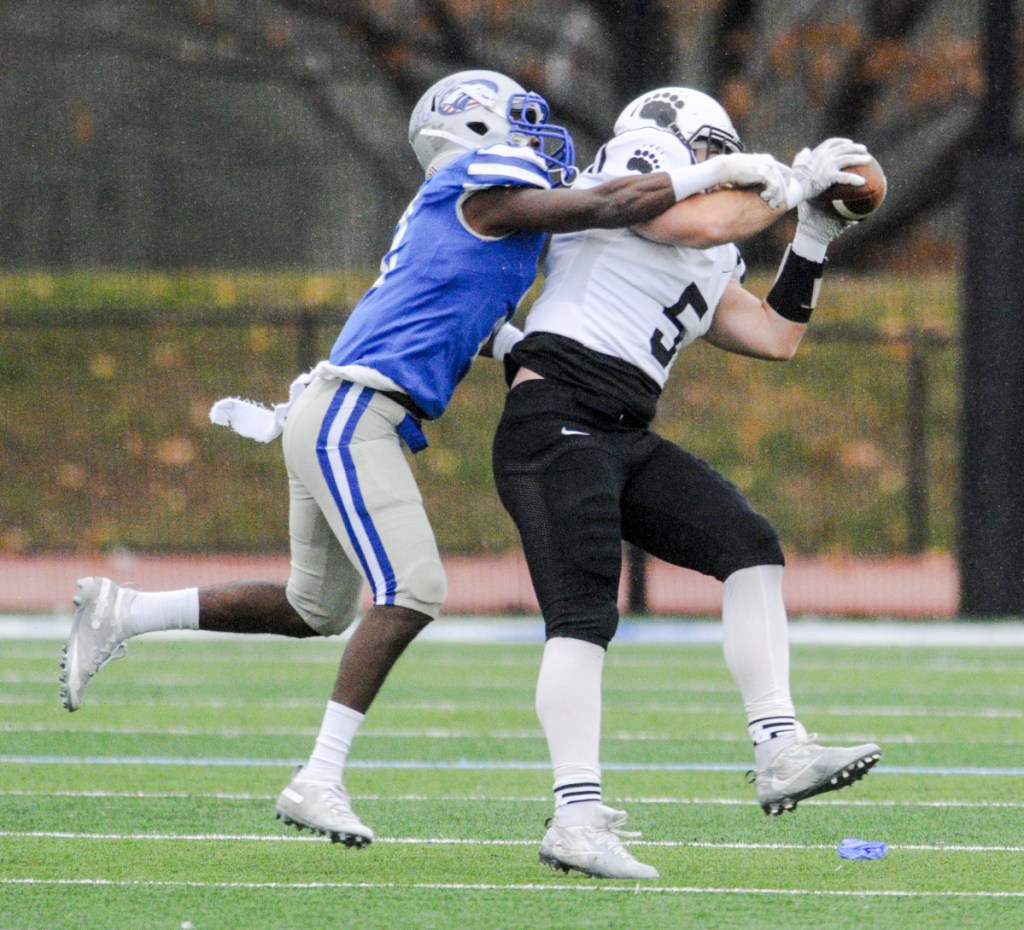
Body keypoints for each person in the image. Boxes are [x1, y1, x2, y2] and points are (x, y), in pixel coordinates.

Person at [58, 70, 813, 849]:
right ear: (475, 132)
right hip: (353, 411)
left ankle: (127, 612)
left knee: (313, 609)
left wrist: (529, 349)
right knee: (414, 589)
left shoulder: (499, 225)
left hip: (341, 408)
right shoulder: (478, 184)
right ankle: (318, 777)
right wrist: (720, 169)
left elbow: (463, 318)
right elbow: (612, 203)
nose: (536, 136)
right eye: (518, 122)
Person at [490, 87, 883, 881]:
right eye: (716, 158)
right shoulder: (640, 165)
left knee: (748, 544)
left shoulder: (715, 245)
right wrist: (790, 185)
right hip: (557, 414)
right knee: (583, 614)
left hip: (620, 429)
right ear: (694, 143)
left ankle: (779, 748)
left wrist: (811, 234)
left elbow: (774, 337)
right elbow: (684, 217)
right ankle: (574, 814)